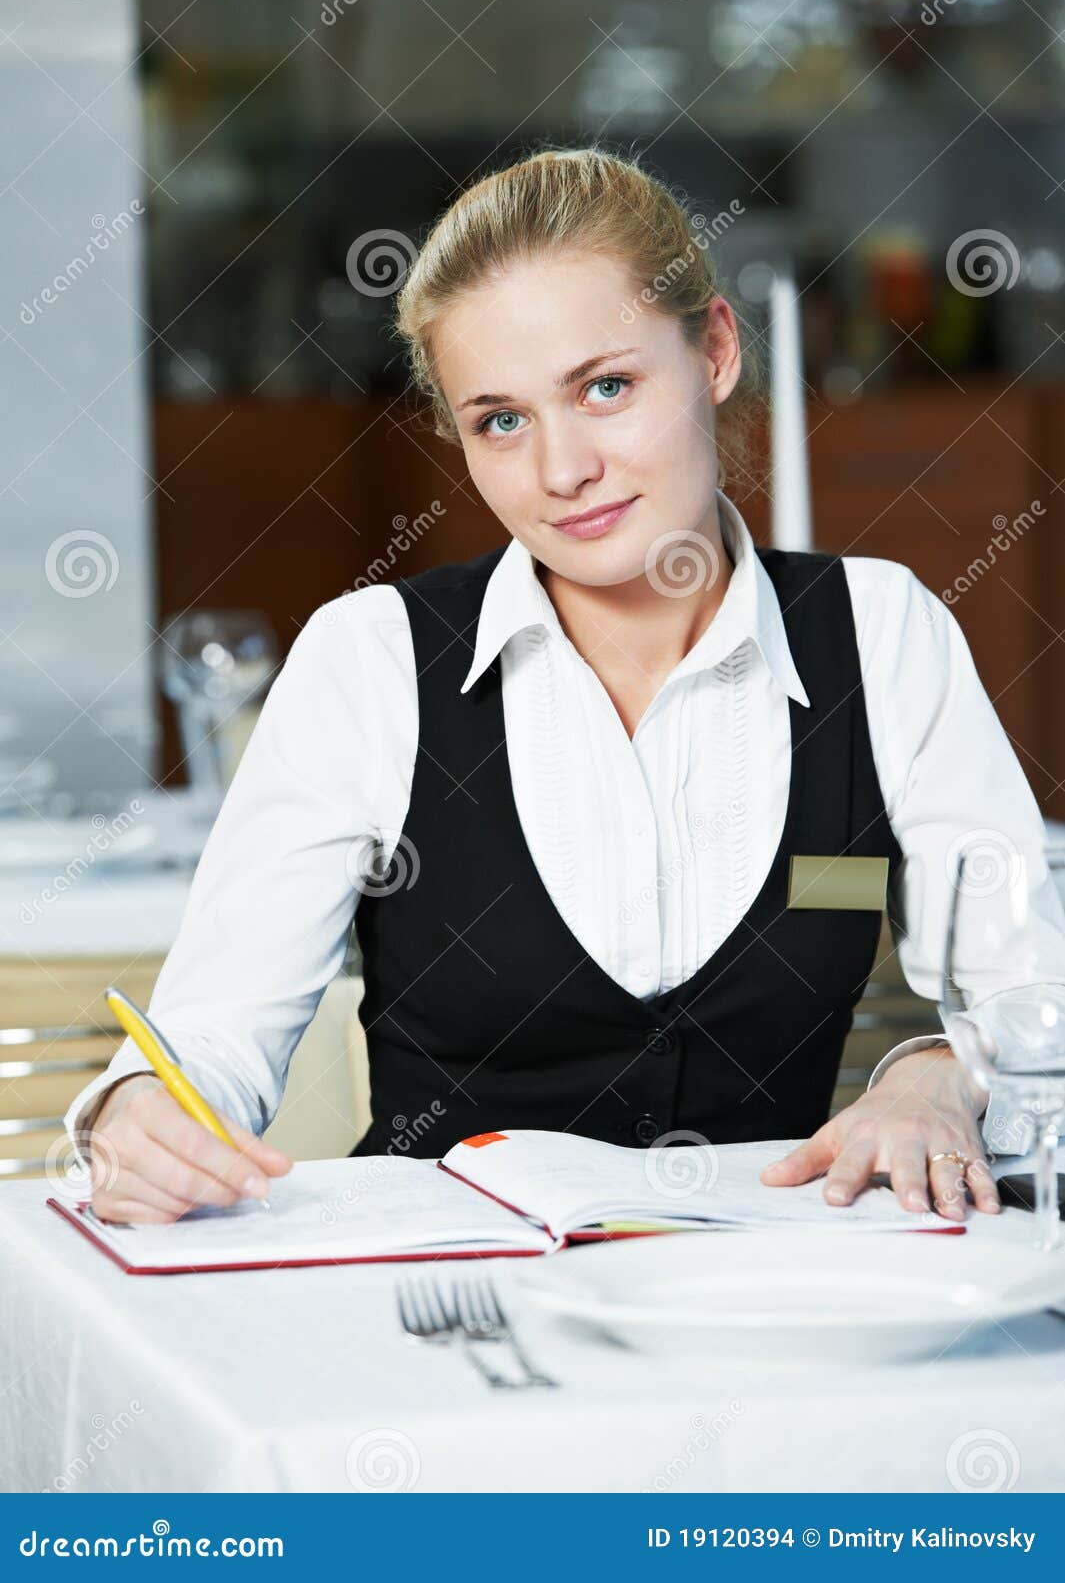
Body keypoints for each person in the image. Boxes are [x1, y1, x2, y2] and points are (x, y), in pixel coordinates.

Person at [66, 146, 1064, 1228]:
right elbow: (213, 1036)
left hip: (760, 1304)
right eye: (501, 418)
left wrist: (933, 1070)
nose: (561, 470)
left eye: (606, 387)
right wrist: (136, 1111)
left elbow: (1030, 997)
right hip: (438, 1308)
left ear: (717, 350)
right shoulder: (371, 661)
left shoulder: (880, 633)